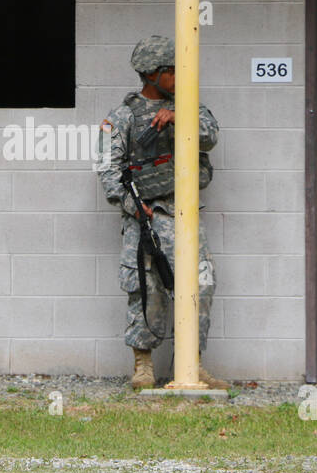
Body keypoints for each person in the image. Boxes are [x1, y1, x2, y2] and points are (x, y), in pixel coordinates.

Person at [95, 34, 227, 390]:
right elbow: (109, 170)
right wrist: (135, 209)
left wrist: (178, 118)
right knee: (146, 289)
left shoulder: (189, 106)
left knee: (201, 285)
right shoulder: (122, 116)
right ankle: (143, 367)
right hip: (147, 217)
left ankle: (192, 365)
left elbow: (210, 135)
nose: (178, 75)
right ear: (152, 74)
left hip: (184, 216)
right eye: (172, 70)